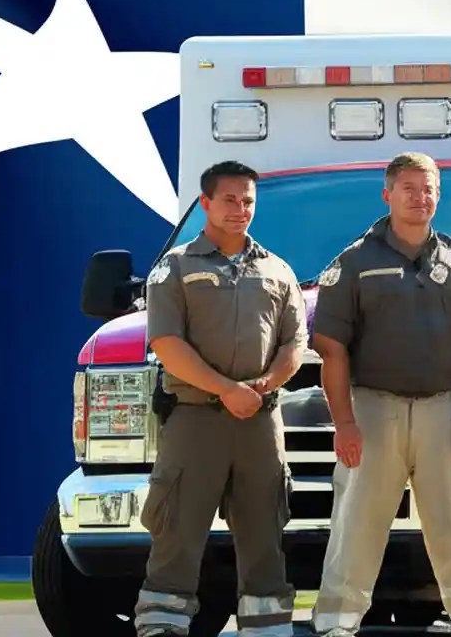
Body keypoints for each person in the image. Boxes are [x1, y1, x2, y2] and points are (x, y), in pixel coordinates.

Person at [308, 152, 451, 637]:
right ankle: (337, 621)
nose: (420, 198)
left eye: (429, 190)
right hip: (373, 409)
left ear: (438, 195)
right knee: (357, 521)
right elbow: (331, 349)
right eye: (409, 189)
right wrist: (346, 423)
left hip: (444, 409)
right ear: (388, 194)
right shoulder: (355, 262)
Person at [134, 160, 307, 637]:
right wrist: (226, 389)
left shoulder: (278, 270)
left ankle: (268, 627)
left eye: (248, 200)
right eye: (230, 200)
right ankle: (162, 625)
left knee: (264, 531)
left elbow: (296, 344)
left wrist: (263, 386)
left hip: (259, 422)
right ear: (206, 203)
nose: (241, 209)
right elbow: (168, 345)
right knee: (177, 528)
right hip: (196, 420)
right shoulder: (175, 268)